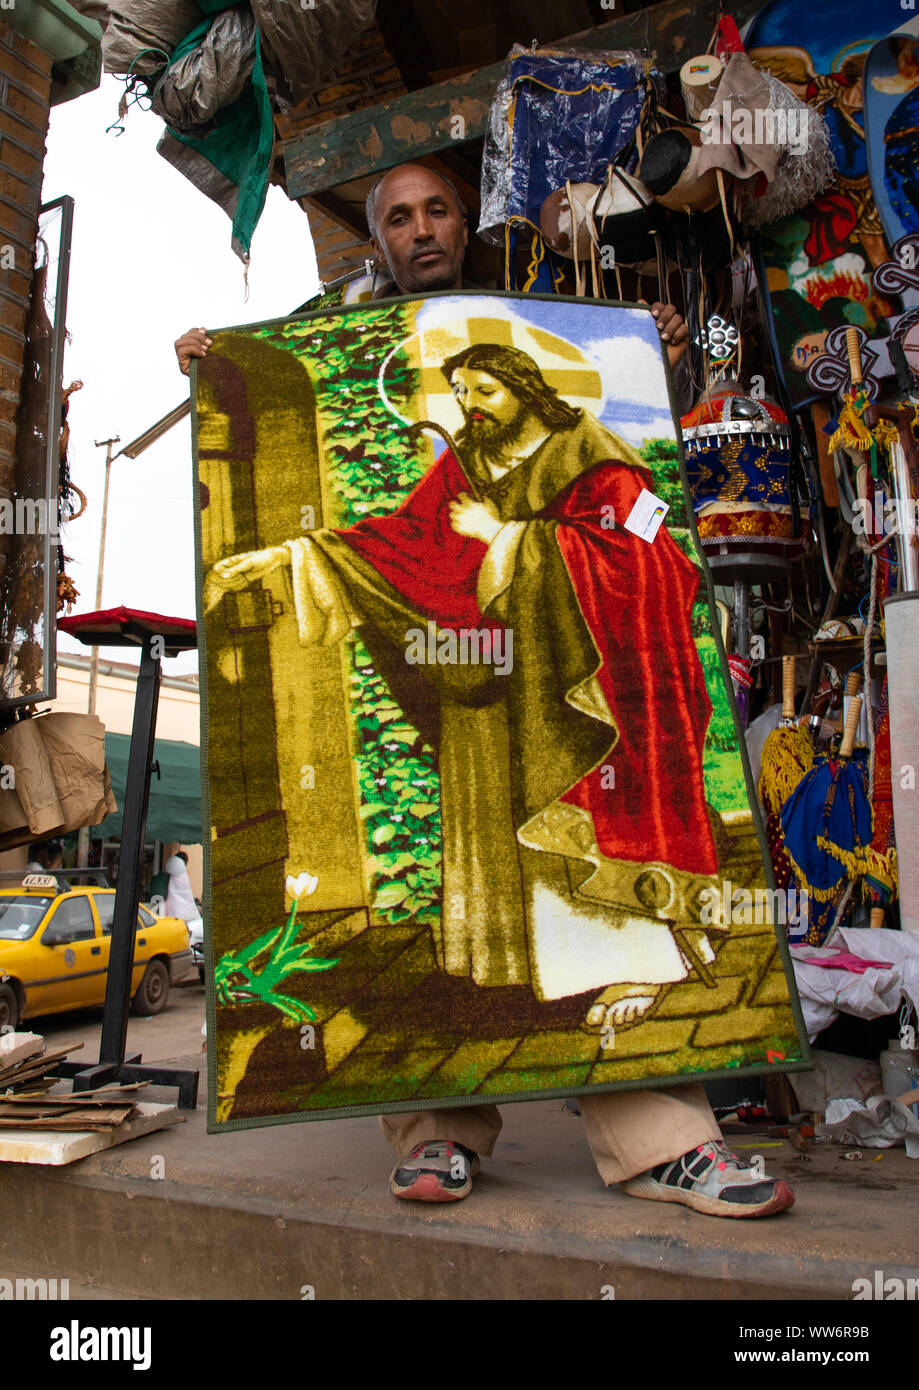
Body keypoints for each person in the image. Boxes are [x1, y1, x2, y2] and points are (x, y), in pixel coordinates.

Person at [182, 162, 794, 1220]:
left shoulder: (581, 445)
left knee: (594, 927)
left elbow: (648, 555)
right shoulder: (403, 405)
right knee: (478, 954)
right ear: (375, 240)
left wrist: (526, 531)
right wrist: (273, 520)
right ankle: (441, 1134)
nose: (419, 230)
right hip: (485, 714)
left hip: (571, 716)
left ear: (464, 223)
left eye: (435, 211)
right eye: (395, 218)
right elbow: (401, 546)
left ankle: (666, 1139)